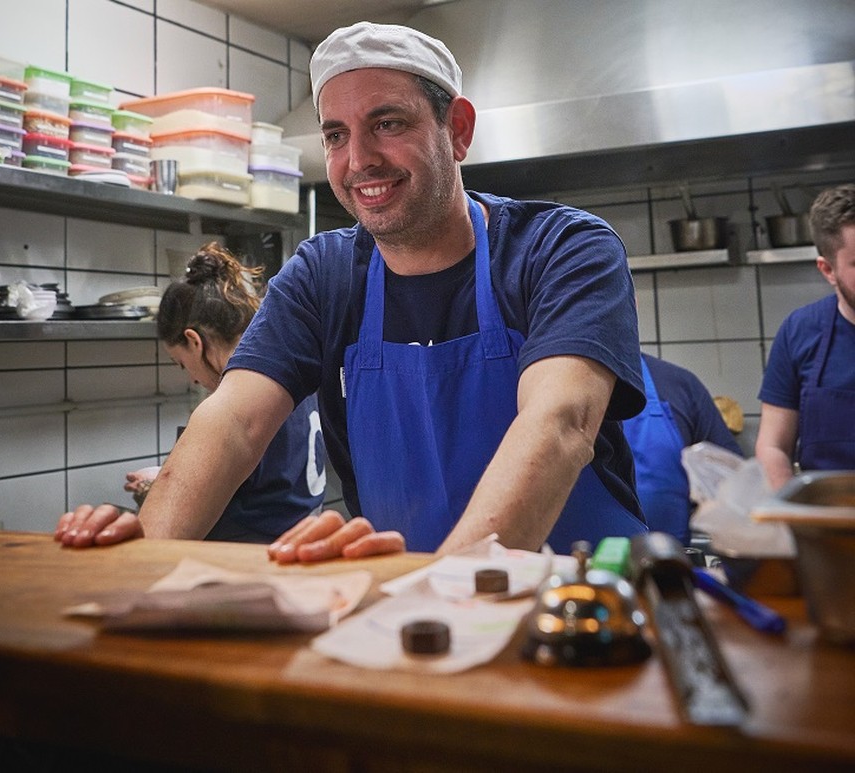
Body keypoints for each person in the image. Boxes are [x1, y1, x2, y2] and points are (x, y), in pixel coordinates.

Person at [56, 21, 647, 560]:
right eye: (336, 135)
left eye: (387, 123)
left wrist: (450, 593)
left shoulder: (560, 250)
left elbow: (560, 423)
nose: (358, 159)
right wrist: (138, 560)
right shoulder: (325, 274)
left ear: (457, 130)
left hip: (581, 608)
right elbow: (234, 422)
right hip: (399, 616)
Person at [57, 242, 326, 545]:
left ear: (194, 342)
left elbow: (224, 490)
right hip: (296, 544)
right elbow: (259, 483)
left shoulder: (244, 404)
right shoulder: (288, 383)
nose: (191, 379)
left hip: (245, 561)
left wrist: (151, 490)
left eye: (181, 363)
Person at [755, 183, 855, 490]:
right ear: (828, 270)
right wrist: (794, 520)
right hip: (830, 529)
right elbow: (772, 446)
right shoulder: (800, 331)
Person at [623, 352, 742, 544]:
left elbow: (733, 482)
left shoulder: (679, 385)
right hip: (569, 567)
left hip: (671, 567)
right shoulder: (557, 386)